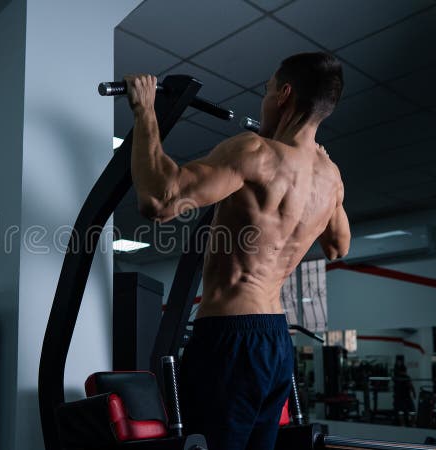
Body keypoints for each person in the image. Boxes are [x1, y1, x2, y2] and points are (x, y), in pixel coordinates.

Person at [125, 52, 350, 450]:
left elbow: (160, 201)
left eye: (265, 91)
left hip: (228, 339)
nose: (262, 101)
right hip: (276, 342)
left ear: (284, 94)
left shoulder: (256, 152)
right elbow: (338, 247)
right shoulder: (330, 178)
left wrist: (146, 113)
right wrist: (332, 186)